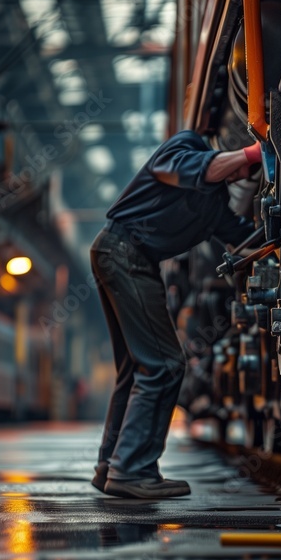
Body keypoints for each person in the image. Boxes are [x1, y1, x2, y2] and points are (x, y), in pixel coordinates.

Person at [89, 131, 260, 498]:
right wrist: (253, 154)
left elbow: (245, 237)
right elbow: (195, 169)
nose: (240, 176)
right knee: (165, 365)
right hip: (123, 253)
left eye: (246, 174)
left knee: (136, 368)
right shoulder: (186, 145)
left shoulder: (214, 206)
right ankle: (132, 470)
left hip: (126, 258)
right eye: (238, 168)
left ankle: (111, 465)